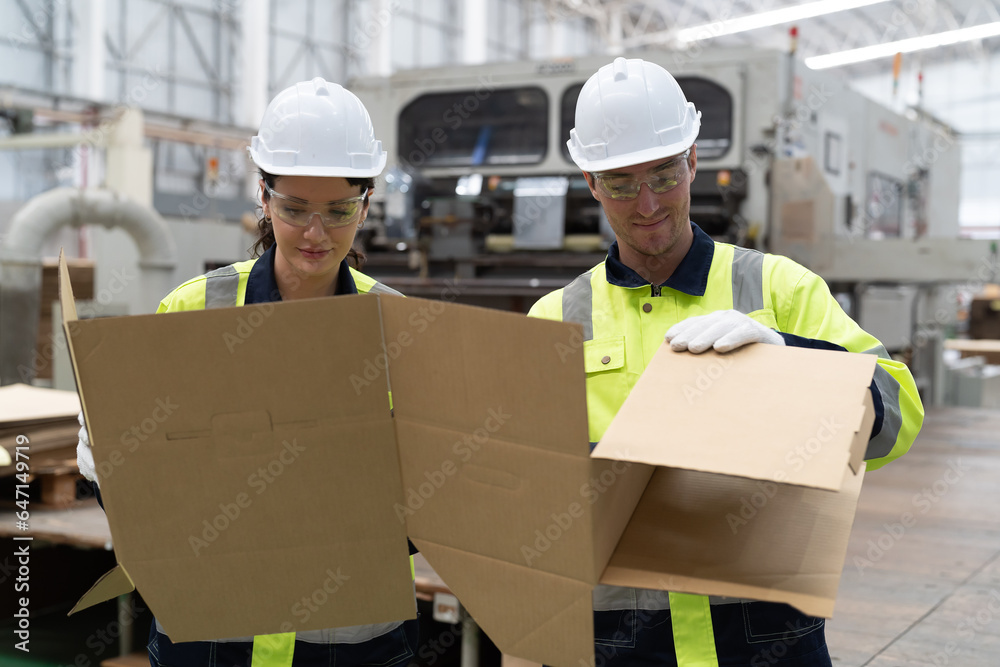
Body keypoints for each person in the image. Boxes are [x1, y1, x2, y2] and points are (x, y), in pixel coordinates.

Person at [528, 57, 924, 666]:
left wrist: (791, 360)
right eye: (621, 183)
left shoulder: (778, 288)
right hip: (619, 637)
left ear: (692, 162)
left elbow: (898, 413)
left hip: (763, 627)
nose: (647, 204)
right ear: (591, 183)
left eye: (663, 175)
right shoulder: (556, 318)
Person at [77, 77, 418, 667]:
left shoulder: (400, 325)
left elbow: (433, 489)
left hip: (349, 639)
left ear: (366, 204)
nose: (316, 233)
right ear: (263, 197)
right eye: (294, 209)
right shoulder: (193, 310)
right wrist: (106, 454)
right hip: (213, 631)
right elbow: (148, 478)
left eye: (339, 211)